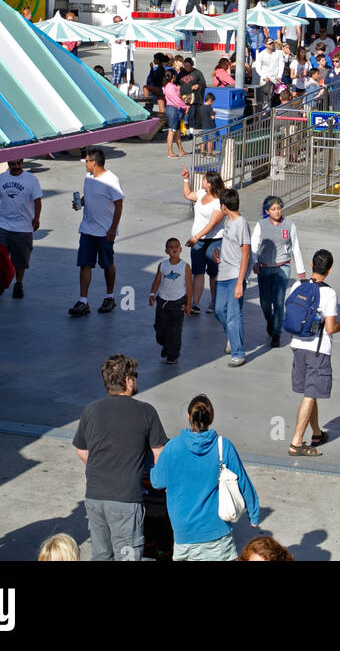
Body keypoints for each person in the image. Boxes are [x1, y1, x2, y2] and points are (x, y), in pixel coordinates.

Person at [73, 354, 167, 561]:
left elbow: (82, 450)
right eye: (134, 377)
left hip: (95, 497)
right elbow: (159, 452)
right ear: (127, 381)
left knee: (101, 555)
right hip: (126, 498)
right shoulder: (145, 411)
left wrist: (103, 465)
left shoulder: (91, 410)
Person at [149, 393, 259, 561]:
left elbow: (157, 481)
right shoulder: (224, 446)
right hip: (216, 532)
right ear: (211, 418)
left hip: (184, 534)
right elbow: (242, 481)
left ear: (188, 416)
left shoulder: (173, 447)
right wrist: (254, 514)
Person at [287, 248, 340, 456]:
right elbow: (330, 328)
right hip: (317, 350)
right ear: (330, 270)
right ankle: (296, 442)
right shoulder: (329, 293)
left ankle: (317, 433)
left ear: (311, 265)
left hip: (297, 345)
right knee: (310, 394)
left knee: (311, 392)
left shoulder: (298, 285)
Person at [68, 147, 124, 318]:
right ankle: (83, 301)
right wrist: (81, 203)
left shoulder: (111, 180)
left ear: (93, 162)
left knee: (107, 264)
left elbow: (119, 204)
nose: (85, 164)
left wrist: (113, 228)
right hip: (87, 229)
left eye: (86, 161)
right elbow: (88, 196)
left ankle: (109, 297)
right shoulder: (88, 177)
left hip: (104, 232)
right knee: (85, 264)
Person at [251, 197, 306, 347]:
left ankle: (276, 334)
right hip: (264, 268)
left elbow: (295, 247)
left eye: (279, 208)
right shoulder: (261, 225)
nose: (277, 211)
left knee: (279, 301)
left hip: (283, 268)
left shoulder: (289, 225)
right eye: (273, 209)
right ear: (267, 211)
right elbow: (253, 246)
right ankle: (271, 322)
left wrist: (301, 273)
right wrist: (254, 262)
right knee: (265, 303)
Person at [0, 158, 42, 299]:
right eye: (12, 164)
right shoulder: (1, 179)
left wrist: (36, 218)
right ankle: (1, 282)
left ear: (22, 163)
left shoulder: (31, 179)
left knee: (21, 260)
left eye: (18, 164)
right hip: (3, 225)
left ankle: (19, 284)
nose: (16, 167)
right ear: (8, 164)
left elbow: (37, 200)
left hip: (23, 227)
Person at [212, 187, 251, 366]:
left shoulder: (241, 223)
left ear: (224, 206)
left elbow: (245, 253)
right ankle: (232, 337)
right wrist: (220, 253)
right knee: (219, 310)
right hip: (223, 274)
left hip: (235, 275)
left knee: (233, 315)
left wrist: (240, 283)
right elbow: (232, 246)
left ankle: (238, 353)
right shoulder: (229, 222)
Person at [183, 169, 226, 315]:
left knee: (214, 272)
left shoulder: (220, 201)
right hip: (198, 242)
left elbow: (212, 224)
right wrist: (186, 180)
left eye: (203, 179)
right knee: (198, 272)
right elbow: (188, 195)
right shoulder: (201, 194)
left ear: (210, 183)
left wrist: (196, 237)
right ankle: (195, 303)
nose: (202, 181)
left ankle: (215, 302)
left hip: (214, 241)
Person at [149, 239, 192, 364]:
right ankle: (166, 345)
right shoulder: (162, 265)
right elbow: (157, 281)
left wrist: (189, 304)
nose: (174, 249)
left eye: (177, 246)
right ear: (166, 251)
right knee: (159, 329)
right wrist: (152, 294)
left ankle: (173, 355)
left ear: (180, 249)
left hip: (178, 302)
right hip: (162, 301)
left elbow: (189, 286)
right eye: (171, 247)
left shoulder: (185, 267)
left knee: (175, 330)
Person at [162, 70, 190, 159]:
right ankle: (170, 152)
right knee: (172, 131)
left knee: (177, 131)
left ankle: (181, 150)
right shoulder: (170, 86)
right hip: (173, 109)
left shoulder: (170, 86)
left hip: (175, 109)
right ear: (173, 76)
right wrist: (185, 106)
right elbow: (175, 99)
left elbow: (177, 98)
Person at [179, 57, 206, 137]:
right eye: (185, 66)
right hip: (183, 96)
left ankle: (191, 132)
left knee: (192, 115)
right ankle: (182, 132)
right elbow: (177, 82)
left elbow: (203, 84)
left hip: (193, 97)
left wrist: (198, 85)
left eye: (188, 66)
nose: (186, 68)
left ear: (192, 65)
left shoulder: (197, 73)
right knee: (182, 115)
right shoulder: (182, 72)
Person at [110, 16, 134, 86]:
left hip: (128, 59)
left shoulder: (128, 31)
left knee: (129, 81)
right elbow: (118, 40)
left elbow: (134, 40)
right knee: (116, 81)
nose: (120, 23)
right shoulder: (112, 33)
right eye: (118, 22)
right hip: (117, 60)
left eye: (121, 21)